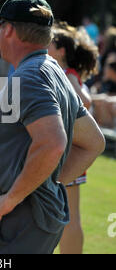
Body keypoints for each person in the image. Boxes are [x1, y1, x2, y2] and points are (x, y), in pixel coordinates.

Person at [0, 0, 105, 254]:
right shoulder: (51, 69)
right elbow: (94, 142)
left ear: (8, 30)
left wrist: (15, 197)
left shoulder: (31, 76)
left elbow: (53, 143)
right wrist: (46, 183)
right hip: (21, 222)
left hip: (14, 225)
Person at [48, 21, 99, 254]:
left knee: (67, 214)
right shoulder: (67, 73)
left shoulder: (65, 74)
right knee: (67, 213)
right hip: (70, 148)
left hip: (69, 150)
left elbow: (85, 101)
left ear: (61, 51)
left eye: (50, 42)